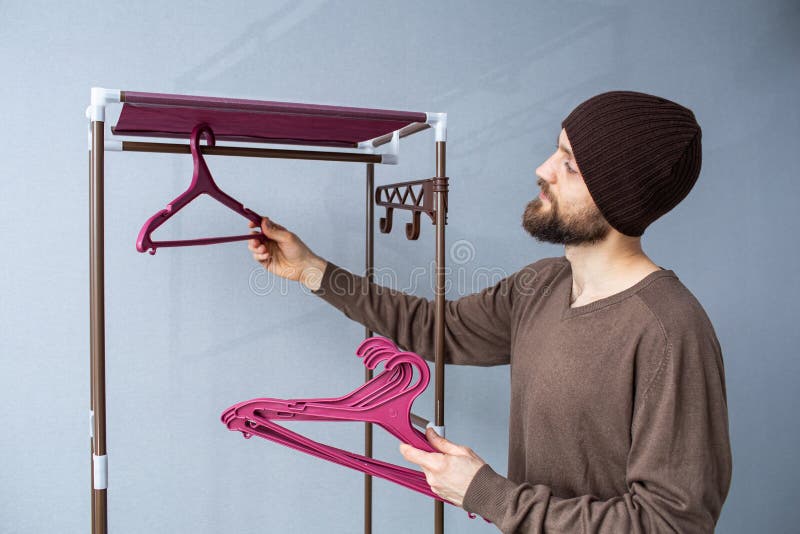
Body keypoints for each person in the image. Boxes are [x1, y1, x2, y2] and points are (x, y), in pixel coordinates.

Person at [247, 91, 732, 533]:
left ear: (618, 196)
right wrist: (312, 270)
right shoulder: (541, 285)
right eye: (557, 151)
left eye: (570, 165)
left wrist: (488, 494)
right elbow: (437, 328)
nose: (543, 169)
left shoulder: (669, 330)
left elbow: (672, 524)